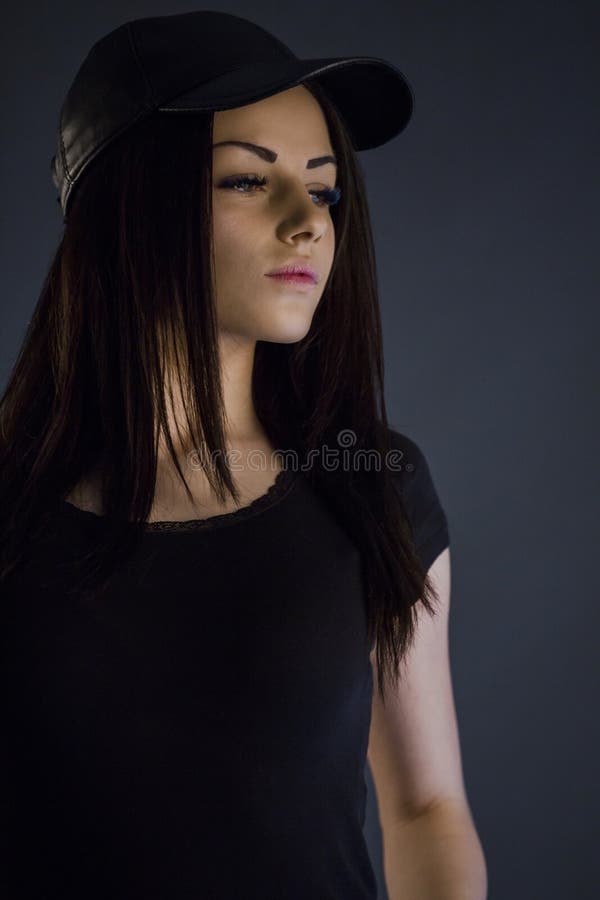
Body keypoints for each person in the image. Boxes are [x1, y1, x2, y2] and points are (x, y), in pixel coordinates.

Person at [0, 10, 487, 900]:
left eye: (324, 188)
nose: (310, 223)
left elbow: (427, 810)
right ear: (126, 204)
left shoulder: (375, 488)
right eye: (246, 182)